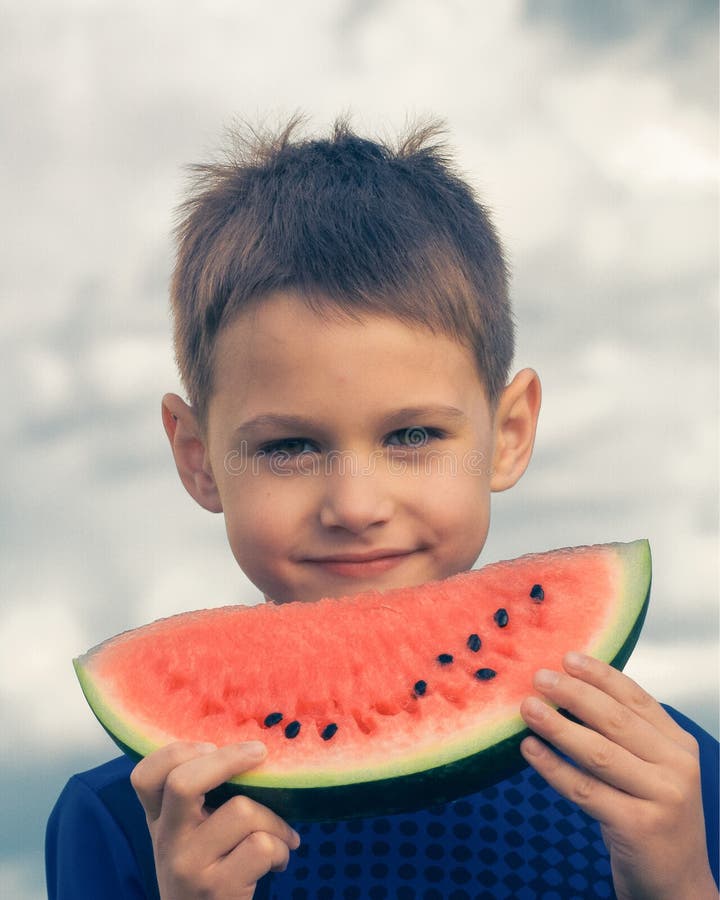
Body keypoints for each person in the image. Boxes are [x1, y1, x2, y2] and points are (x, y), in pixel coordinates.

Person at [46, 117, 719, 900]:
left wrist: (679, 880)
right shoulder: (126, 817)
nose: (356, 505)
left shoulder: (672, 780)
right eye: (288, 448)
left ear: (509, 434)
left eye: (412, 435)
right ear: (198, 456)